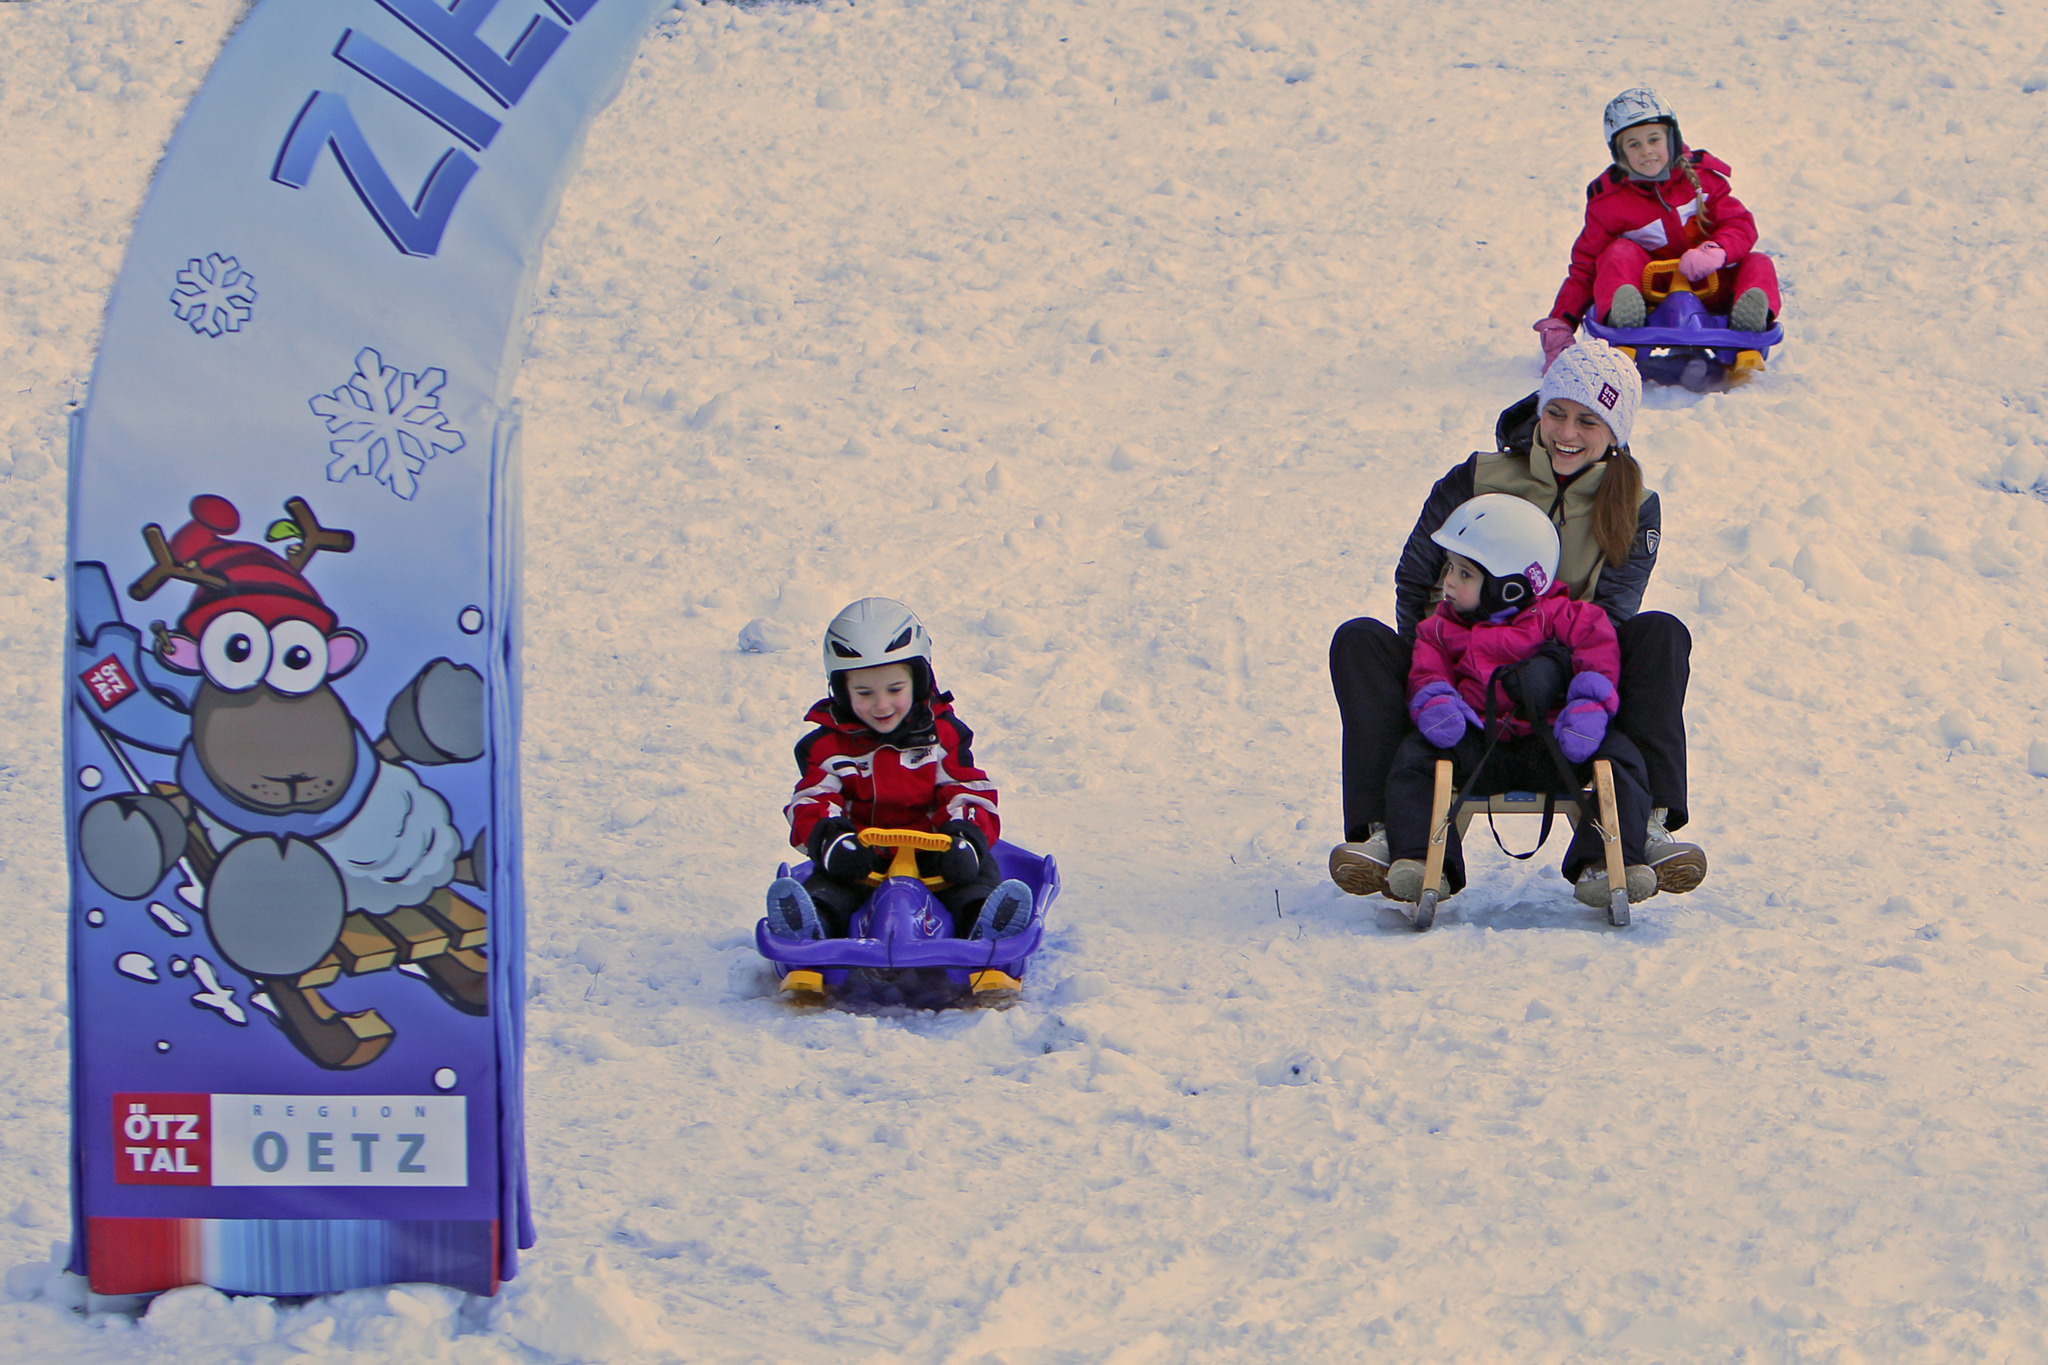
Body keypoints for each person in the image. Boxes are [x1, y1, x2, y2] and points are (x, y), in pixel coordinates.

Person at [1329, 338, 1706, 900]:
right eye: (1556, 413)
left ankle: (1645, 826)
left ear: (1615, 432)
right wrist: (1439, 664)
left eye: (1588, 421)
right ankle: (1385, 832)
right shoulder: (1477, 477)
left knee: (1660, 635)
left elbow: (1611, 615)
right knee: (1359, 641)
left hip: (1567, 696)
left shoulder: (1634, 504)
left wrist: (1553, 671)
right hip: (1460, 688)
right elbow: (1416, 580)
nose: (1567, 432)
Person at [1384, 494, 1654, 907]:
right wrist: (1436, 703)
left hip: (1556, 747)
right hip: (1474, 745)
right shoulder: (1438, 628)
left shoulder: (1567, 618)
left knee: (1622, 757)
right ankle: (1420, 859)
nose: (1449, 582)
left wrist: (1587, 708)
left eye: (1464, 573)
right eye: (1450, 568)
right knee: (1414, 757)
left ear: (1509, 586)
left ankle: (1606, 861)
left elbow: (1598, 657)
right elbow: (1426, 671)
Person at [766, 597, 1032, 942]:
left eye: (895, 689)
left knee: (976, 878)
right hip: (860, 858)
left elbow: (967, 791)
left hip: (938, 855)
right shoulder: (827, 747)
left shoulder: (942, 736)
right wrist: (831, 840)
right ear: (842, 692)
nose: (881, 705)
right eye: (864, 693)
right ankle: (810, 927)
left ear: (918, 682)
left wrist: (965, 838)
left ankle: (985, 925)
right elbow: (811, 801)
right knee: (828, 890)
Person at [1533, 87, 1781, 371]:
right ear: (1619, 153)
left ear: (1671, 139)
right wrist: (1562, 321)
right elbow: (1585, 267)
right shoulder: (1609, 203)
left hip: (1711, 287)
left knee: (1758, 262)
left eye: (1654, 139)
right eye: (1633, 145)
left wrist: (1717, 250)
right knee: (1618, 253)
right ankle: (1622, 316)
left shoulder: (1703, 180)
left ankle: (1747, 323)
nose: (1646, 151)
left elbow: (1740, 223)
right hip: (1649, 295)